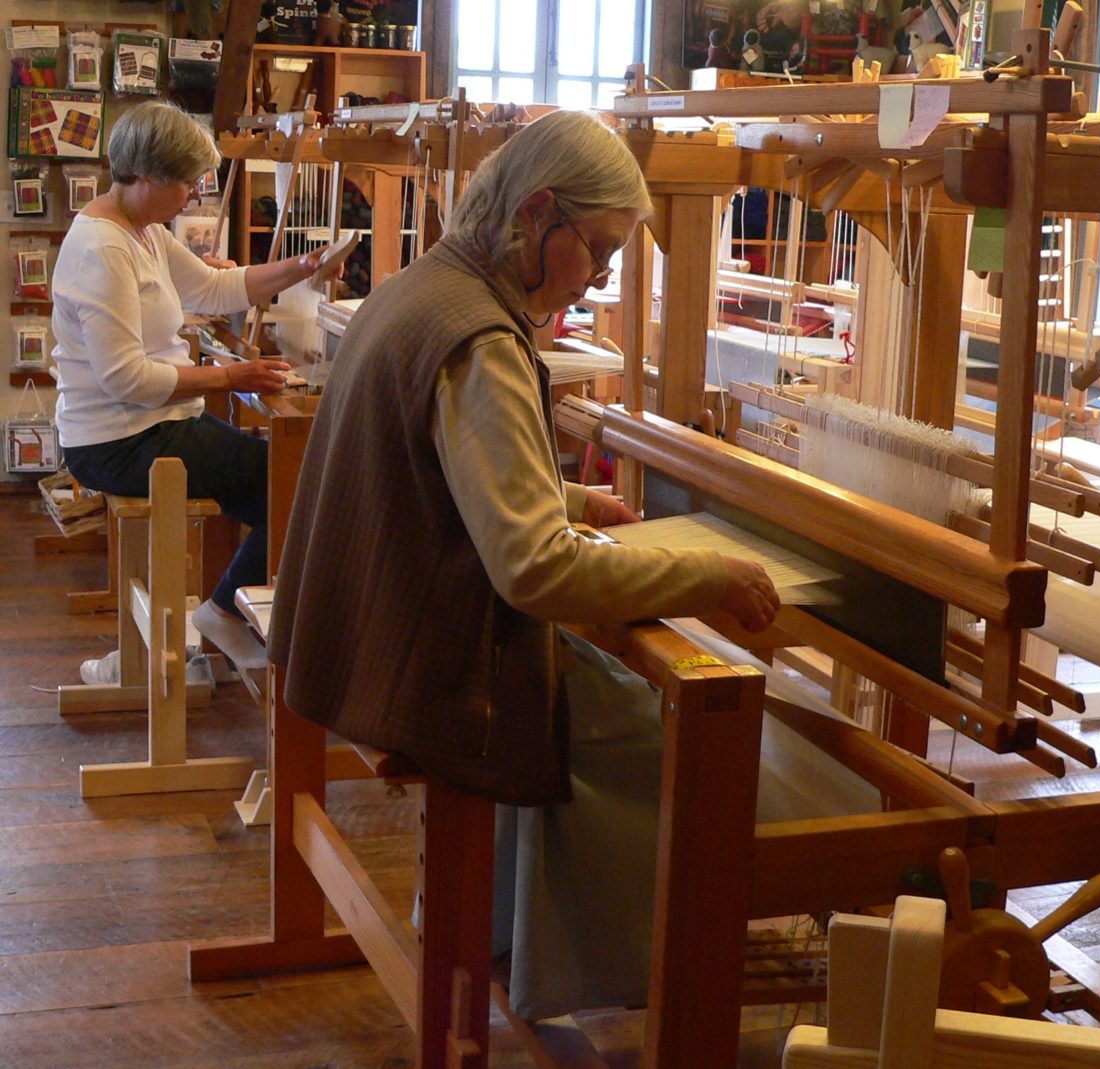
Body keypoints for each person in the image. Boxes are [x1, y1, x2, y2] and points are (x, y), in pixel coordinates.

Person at [267, 109, 781, 1021]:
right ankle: (609, 978)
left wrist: (573, 500)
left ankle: (517, 938)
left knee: (607, 701)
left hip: (349, 633)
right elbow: (534, 572)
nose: (604, 276)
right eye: (600, 250)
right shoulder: (485, 341)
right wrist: (707, 573)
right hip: (413, 669)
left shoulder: (426, 286)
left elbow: (439, 470)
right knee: (682, 743)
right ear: (538, 211)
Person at [52, 99, 333, 683]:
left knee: (284, 477)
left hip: (152, 425)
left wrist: (304, 266)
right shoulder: (105, 250)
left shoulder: (142, 230)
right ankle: (223, 616)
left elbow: (214, 286)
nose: (193, 195)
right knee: (299, 487)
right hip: (118, 440)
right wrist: (231, 377)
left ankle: (221, 617)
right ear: (149, 176)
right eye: (188, 182)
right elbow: (125, 378)